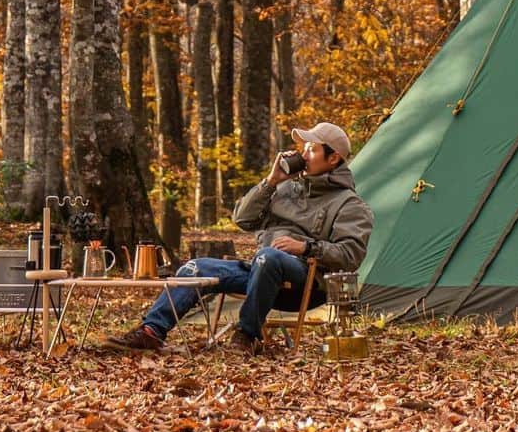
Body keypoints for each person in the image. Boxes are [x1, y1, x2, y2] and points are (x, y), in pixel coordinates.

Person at [107, 121, 373, 356]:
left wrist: (305, 247)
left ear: (333, 158)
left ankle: (248, 336)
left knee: (268, 257)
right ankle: (151, 332)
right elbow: (243, 219)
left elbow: (350, 256)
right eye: (304, 148)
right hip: (260, 270)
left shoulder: (349, 205)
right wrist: (270, 181)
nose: (303, 154)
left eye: (312, 149)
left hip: (305, 282)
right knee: (194, 267)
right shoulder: (285, 189)